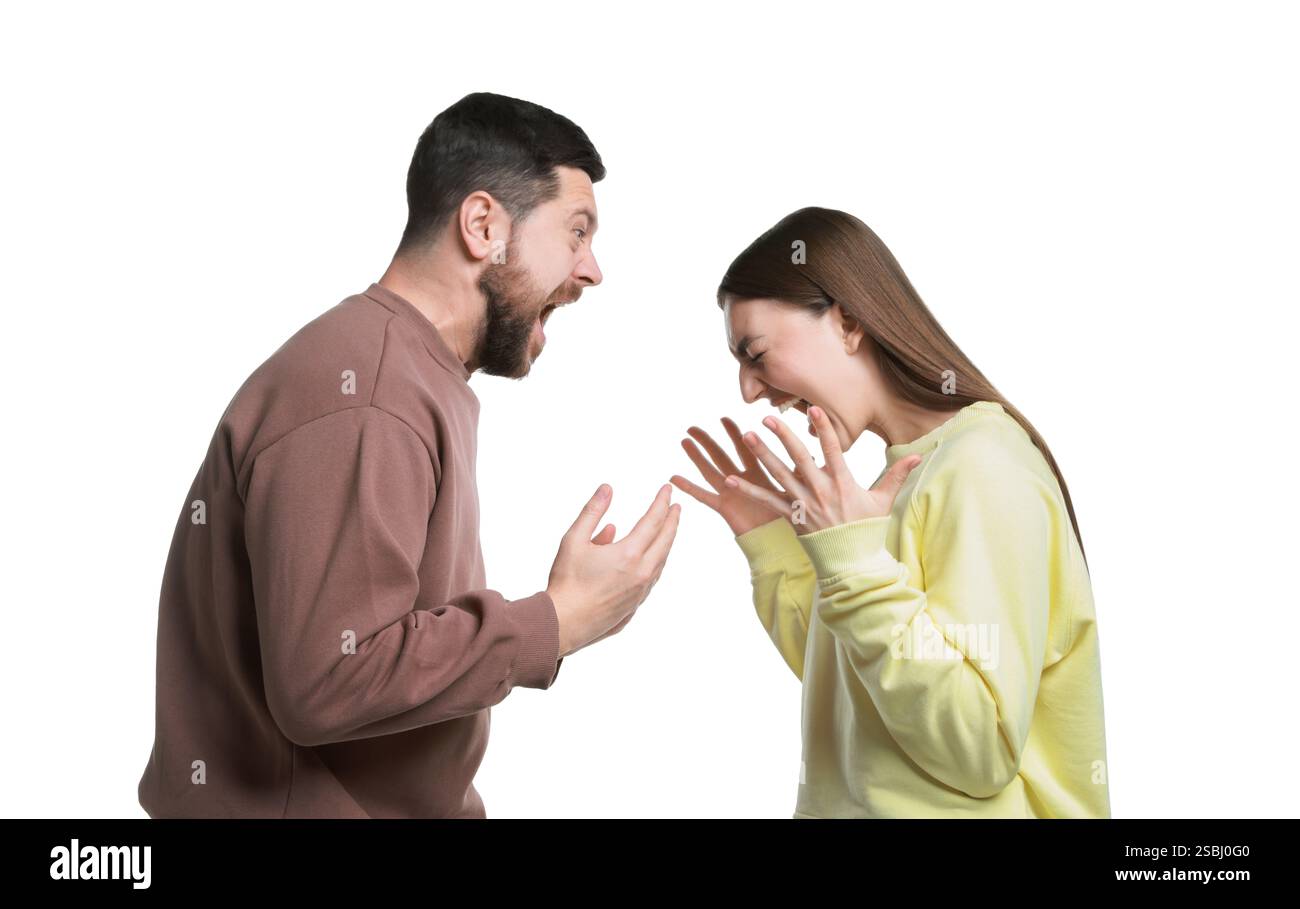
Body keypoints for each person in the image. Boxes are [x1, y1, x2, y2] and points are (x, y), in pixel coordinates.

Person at [138, 92, 680, 818]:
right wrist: (555, 619)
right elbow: (331, 676)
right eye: (576, 232)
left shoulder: (403, 375)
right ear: (484, 224)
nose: (591, 271)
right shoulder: (368, 394)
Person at [670, 207, 1109, 818]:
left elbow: (978, 749)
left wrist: (855, 566)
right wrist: (781, 547)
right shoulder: (897, 479)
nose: (748, 389)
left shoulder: (982, 467)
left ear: (848, 322)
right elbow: (865, 695)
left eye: (756, 352)